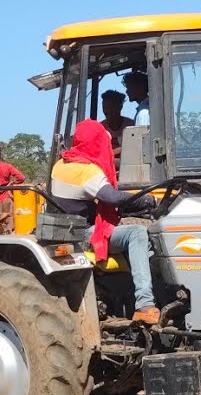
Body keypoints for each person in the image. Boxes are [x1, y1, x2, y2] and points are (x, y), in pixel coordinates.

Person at [49, 120, 160, 324]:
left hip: (69, 229)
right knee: (136, 233)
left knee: (141, 241)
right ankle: (145, 304)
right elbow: (113, 198)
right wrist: (149, 200)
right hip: (83, 234)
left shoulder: (61, 164)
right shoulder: (85, 170)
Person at [100, 89, 133, 154]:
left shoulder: (130, 125)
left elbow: (133, 147)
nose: (107, 111)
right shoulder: (100, 128)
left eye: (110, 107)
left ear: (120, 106)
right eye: (104, 107)